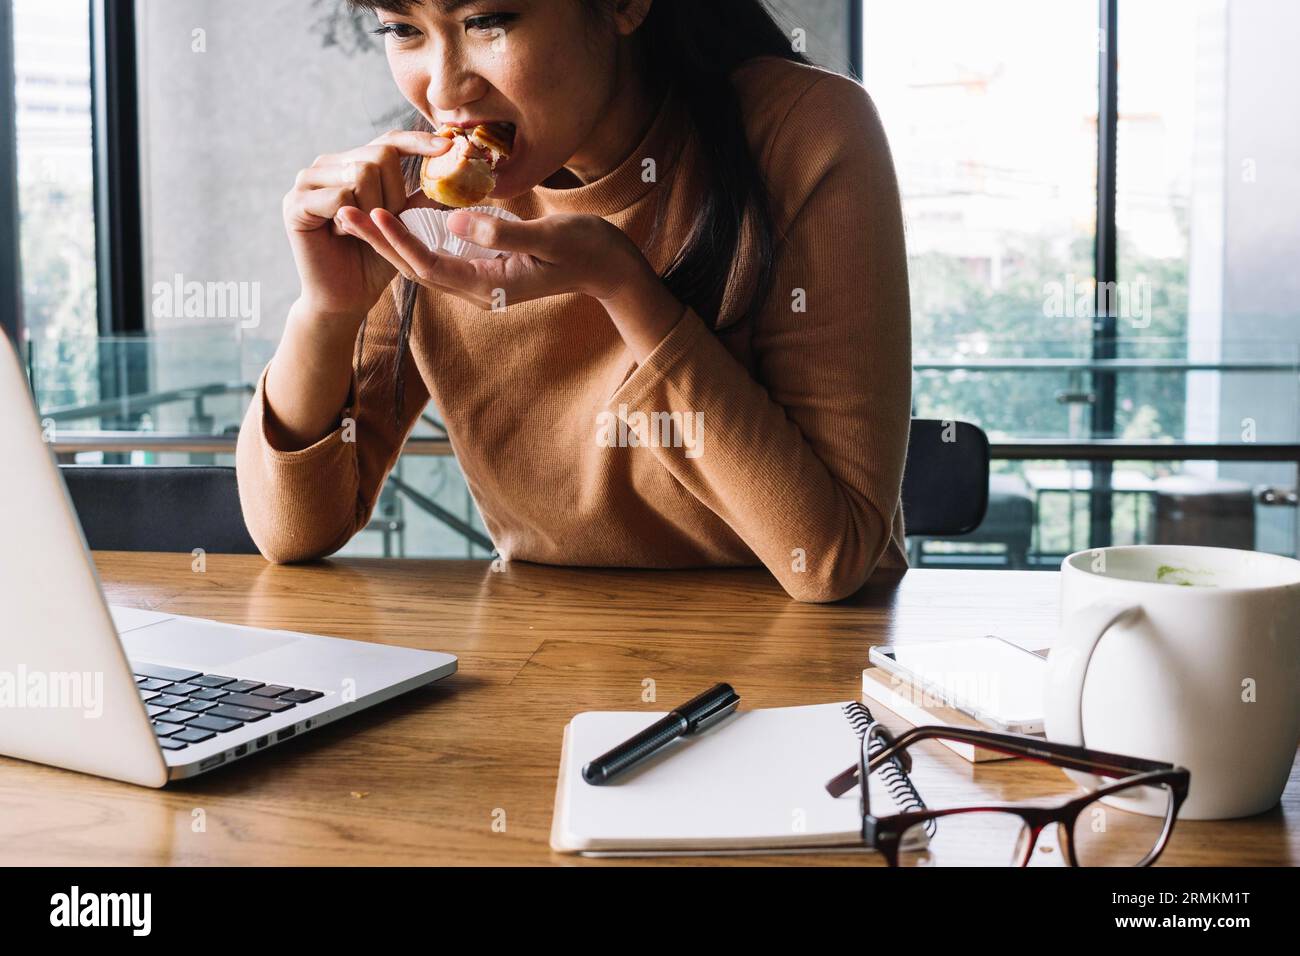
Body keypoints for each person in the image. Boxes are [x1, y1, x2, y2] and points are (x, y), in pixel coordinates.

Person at [236, 0, 912, 602]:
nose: (444, 89)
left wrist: (623, 289)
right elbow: (291, 534)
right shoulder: (421, 199)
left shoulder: (804, 130)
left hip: (799, 679)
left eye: (487, 21)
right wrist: (325, 315)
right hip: (550, 657)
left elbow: (828, 559)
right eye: (401, 28)